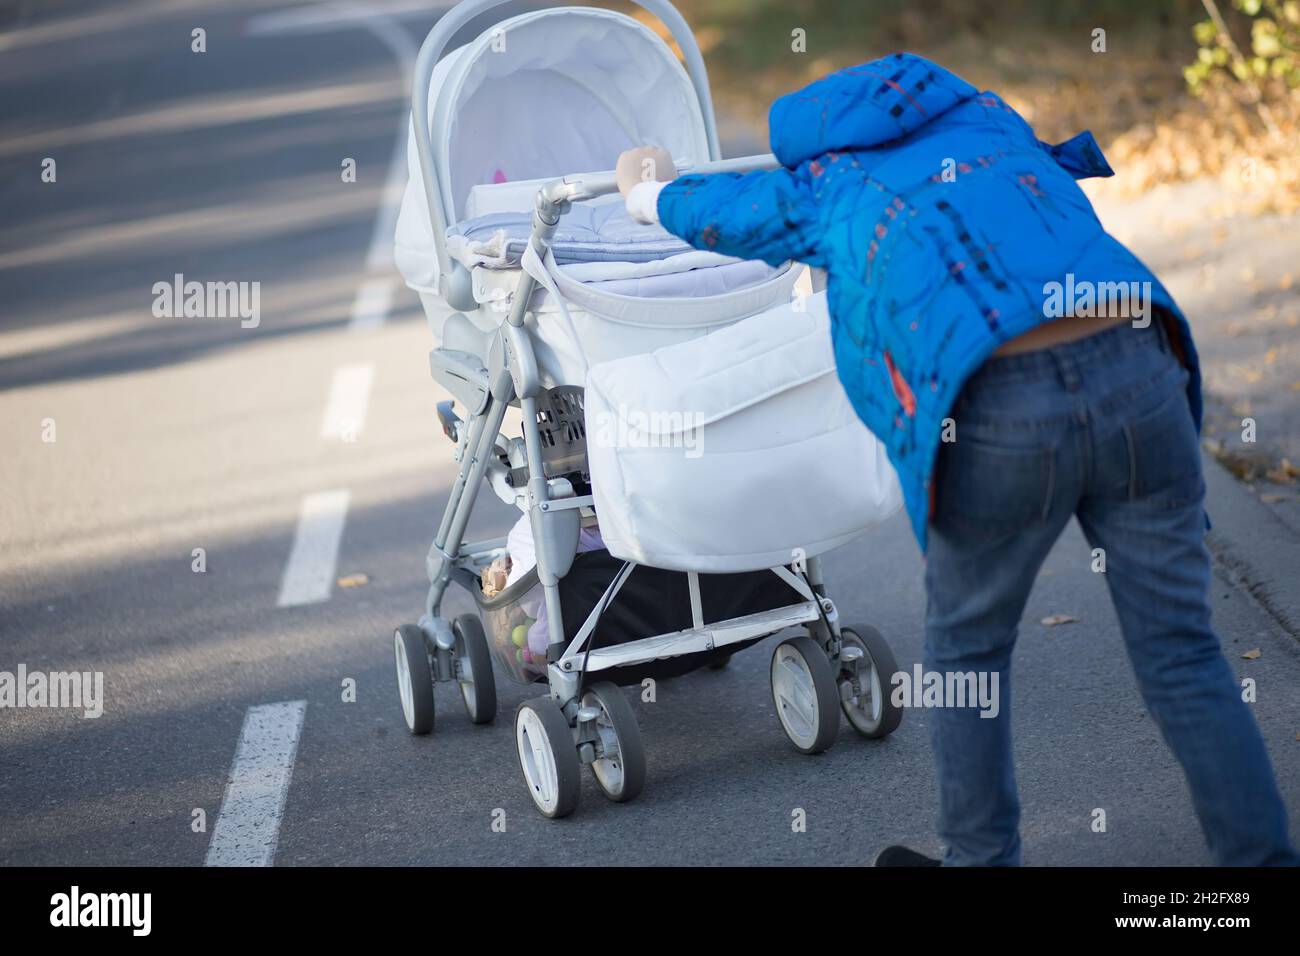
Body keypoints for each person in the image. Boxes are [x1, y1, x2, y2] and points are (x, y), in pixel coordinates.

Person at [615, 53, 1297, 866]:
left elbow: (726, 212)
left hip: (995, 400)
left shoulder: (830, 181)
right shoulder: (990, 123)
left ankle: (982, 859)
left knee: (968, 660)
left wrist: (644, 190)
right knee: (1183, 650)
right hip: (1139, 360)